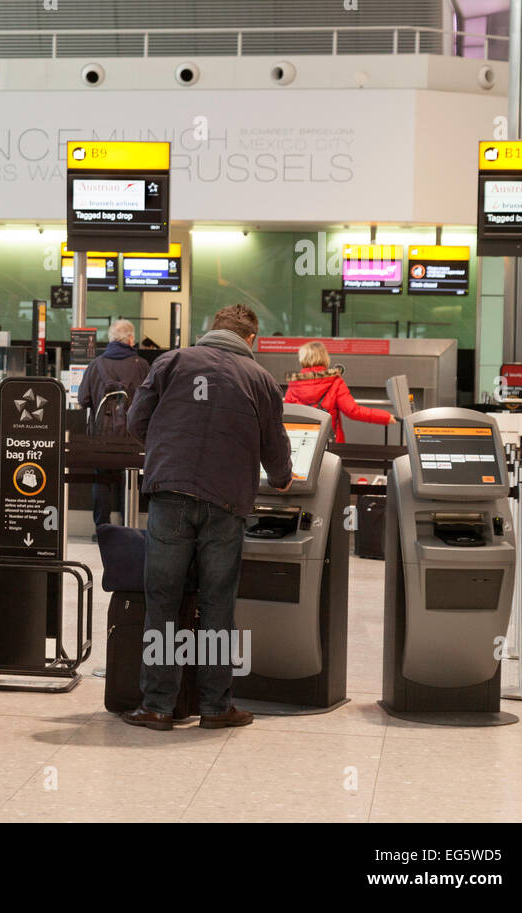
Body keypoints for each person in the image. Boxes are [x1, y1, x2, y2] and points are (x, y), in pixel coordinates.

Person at [123, 304, 292, 731]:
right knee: (219, 605)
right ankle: (216, 707)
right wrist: (282, 478)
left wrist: (166, 446)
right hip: (227, 504)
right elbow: (276, 447)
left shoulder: (171, 361)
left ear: (213, 330)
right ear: (250, 339)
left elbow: (136, 420)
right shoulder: (262, 381)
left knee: (162, 601)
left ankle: (157, 706)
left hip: (170, 496)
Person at [77, 319, 150, 530]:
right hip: (132, 435)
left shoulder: (96, 365)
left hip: (101, 435)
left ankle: (102, 527)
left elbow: (83, 400)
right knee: (131, 475)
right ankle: (129, 526)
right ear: (130, 339)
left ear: (110, 339)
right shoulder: (142, 366)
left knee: (102, 479)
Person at [284, 340, 396, 442]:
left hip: (300, 439)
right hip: (328, 441)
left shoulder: (294, 384)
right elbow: (353, 411)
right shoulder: (334, 381)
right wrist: (385, 417)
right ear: (325, 357)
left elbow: (286, 414)